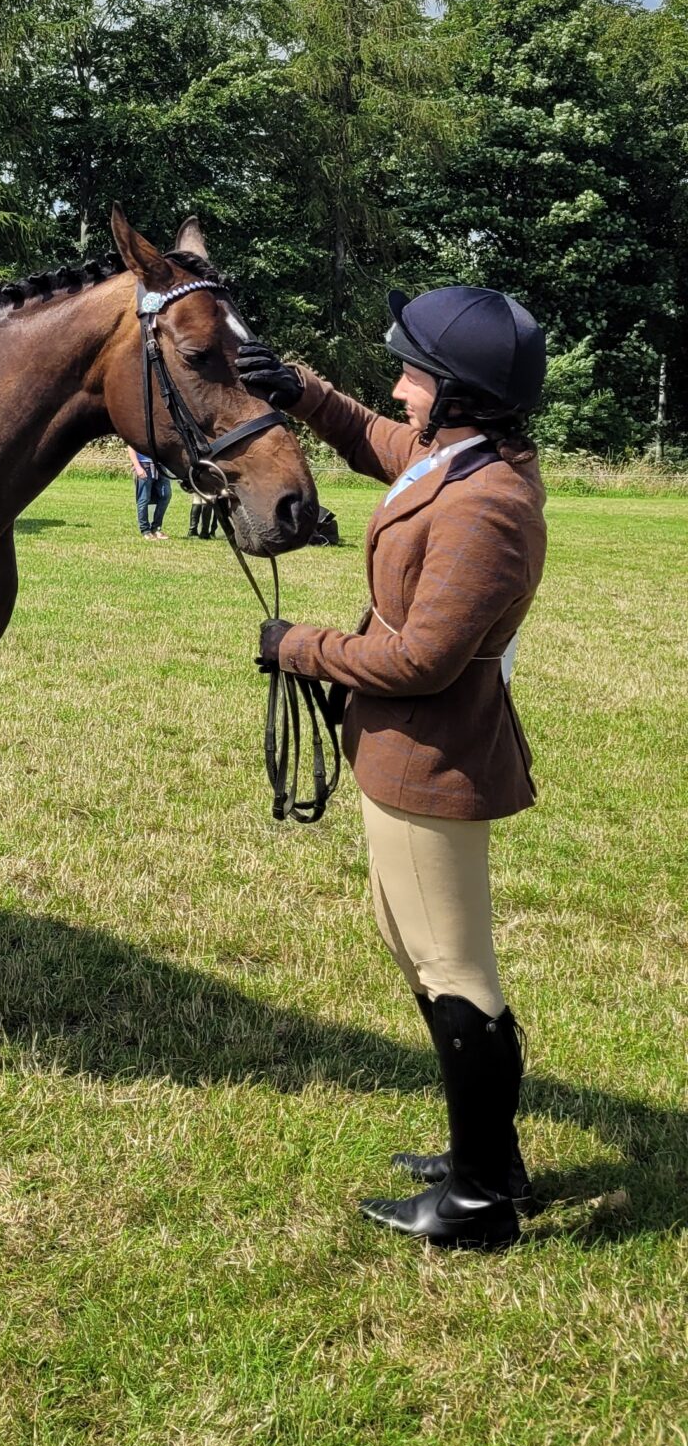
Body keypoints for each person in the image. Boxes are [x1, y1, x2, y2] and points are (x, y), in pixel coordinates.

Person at [237, 286, 548, 1253]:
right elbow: (379, 440)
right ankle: (487, 1159)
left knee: (456, 967)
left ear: (457, 393)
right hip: (401, 759)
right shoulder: (461, 458)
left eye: (416, 372)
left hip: (432, 762)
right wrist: (298, 390)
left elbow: (421, 660)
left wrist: (301, 646)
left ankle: (481, 1197)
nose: (400, 386)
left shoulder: (488, 505)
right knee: (416, 945)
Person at [128, 444, 172, 538]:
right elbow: (131, 446)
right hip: (144, 465)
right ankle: (145, 530)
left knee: (166, 495)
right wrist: (137, 466)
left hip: (160, 466)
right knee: (144, 498)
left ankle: (156, 528)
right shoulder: (139, 430)